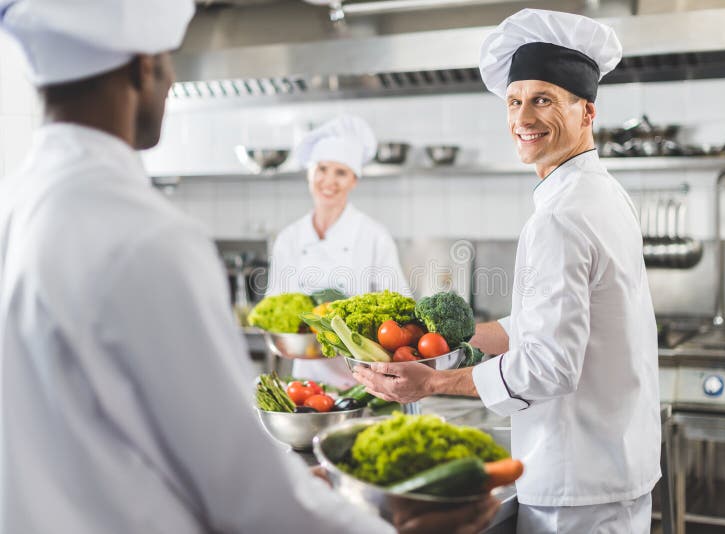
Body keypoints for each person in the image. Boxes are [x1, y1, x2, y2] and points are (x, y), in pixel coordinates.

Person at [0, 1, 498, 532]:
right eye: (168, 63)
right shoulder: (150, 237)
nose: (169, 84)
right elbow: (242, 488)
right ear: (144, 66)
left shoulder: (15, 207)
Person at [353, 8, 661, 534]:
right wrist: (459, 334)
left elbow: (548, 366)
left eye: (543, 99)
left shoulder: (560, 218)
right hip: (612, 468)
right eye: (515, 101)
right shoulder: (602, 194)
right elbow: (546, 327)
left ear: (586, 111)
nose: (522, 117)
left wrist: (432, 382)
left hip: (574, 486)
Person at [267, 115, 411, 388]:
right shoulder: (289, 238)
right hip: (305, 383)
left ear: (354, 180)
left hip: (363, 382)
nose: (329, 181)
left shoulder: (374, 236)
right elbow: (276, 306)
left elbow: (400, 310)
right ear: (310, 173)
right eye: (322, 169)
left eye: (341, 172)